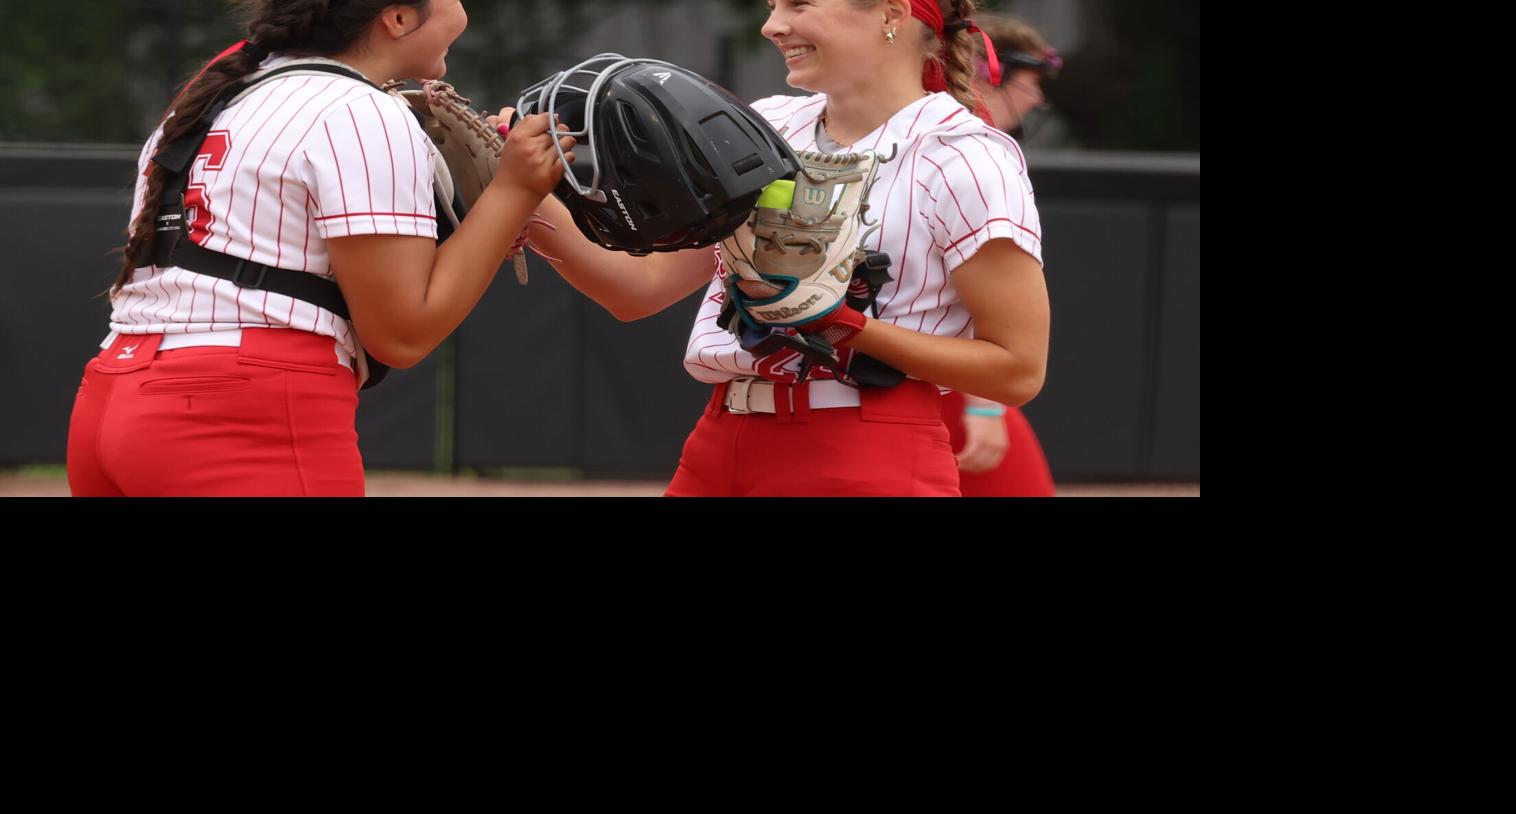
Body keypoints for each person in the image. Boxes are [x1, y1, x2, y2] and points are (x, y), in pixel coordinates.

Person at [507, 0, 1049, 497]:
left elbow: (1017, 371)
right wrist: (516, 187)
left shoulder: (966, 156)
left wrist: (843, 325)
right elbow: (636, 290)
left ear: (890, 12)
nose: (772, 25)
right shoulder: (767, 124)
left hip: (864, 448)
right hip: (719, 441)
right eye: (772, 6)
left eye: (799, 4)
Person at [66, 0, 572, 497]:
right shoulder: (360, 110)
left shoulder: (220, 93)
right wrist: (514, 191)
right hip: (237, 415)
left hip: (112, 391)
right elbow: (402, 333)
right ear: (397, 18)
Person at [938, 10, 1063, 496]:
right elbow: (962, 290)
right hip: (938, 381)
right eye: (1030, 86)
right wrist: (985, 405)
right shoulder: (966, 153)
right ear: (991, 74)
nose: (1035, 101)